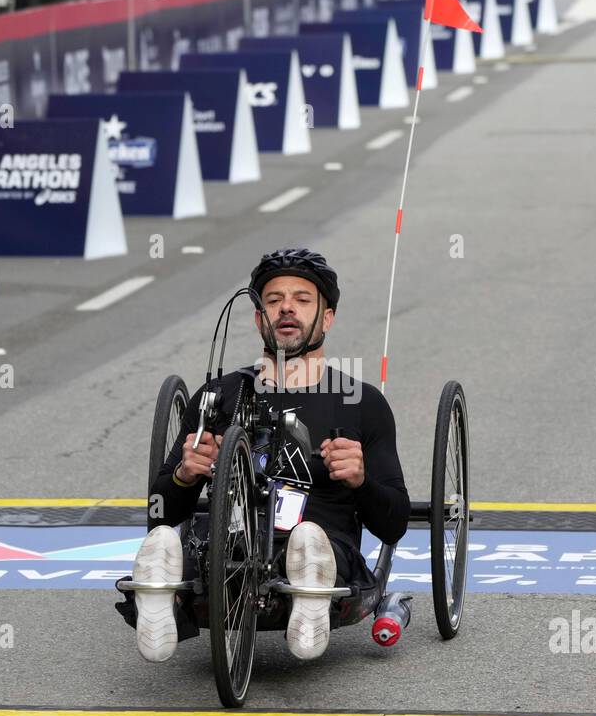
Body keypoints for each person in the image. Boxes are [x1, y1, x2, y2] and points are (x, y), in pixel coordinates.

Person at [124, 248, 411, 663]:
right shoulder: (217, 397)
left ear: (326, 318)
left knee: (311, 543)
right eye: (273, 301)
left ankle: (310, 592)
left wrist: (361, 481)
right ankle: (164, 590)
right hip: (226, 548)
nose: (286, 309)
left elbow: (395, 523)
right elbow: (159, 512)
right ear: (259, 318)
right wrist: (186, 475)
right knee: (166, 541)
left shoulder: (362, 403)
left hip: (323, 541)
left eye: (302, 299)